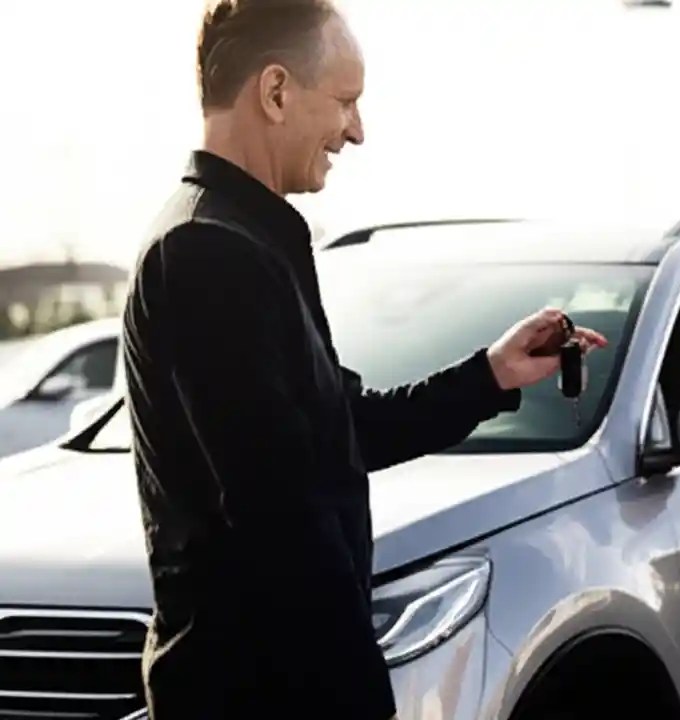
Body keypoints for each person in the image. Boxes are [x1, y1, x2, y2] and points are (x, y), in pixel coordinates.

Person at [119, 2, 605, 719]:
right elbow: (281, 517)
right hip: (266, 697)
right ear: (276, 91)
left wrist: (492, 374)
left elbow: (339, 431)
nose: (356, 130)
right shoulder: (209, 252)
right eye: (345, 101)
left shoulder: (245, 240)